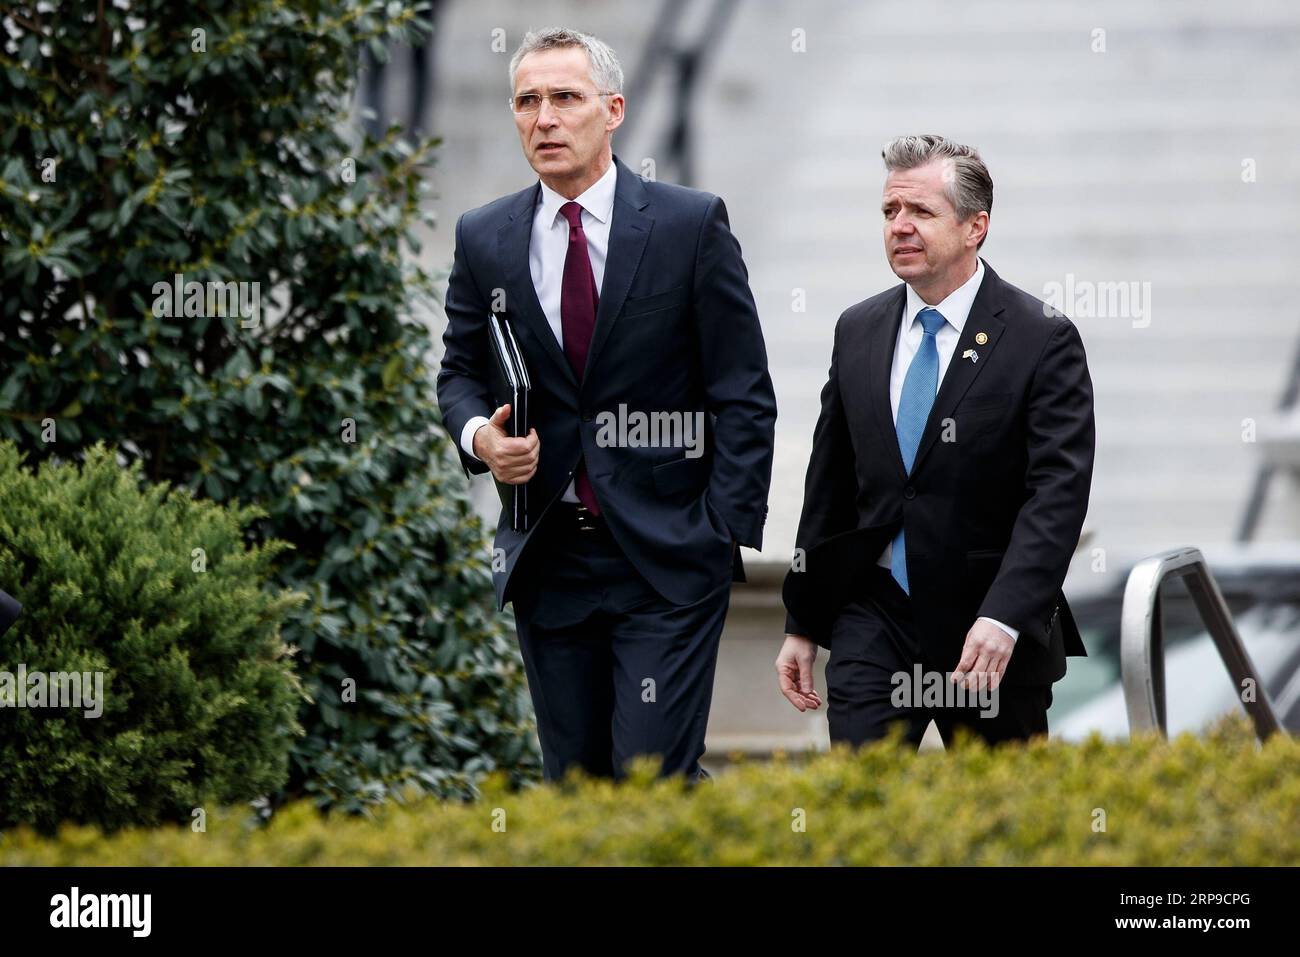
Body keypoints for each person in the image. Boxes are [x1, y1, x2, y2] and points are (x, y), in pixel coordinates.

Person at [437, 28, 776, 782]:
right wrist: (479, 439)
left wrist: (719, 531)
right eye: (527, 101)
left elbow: (744, 394)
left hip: (665, 557)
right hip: (548, 556)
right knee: (578, 787)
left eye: (565, 98)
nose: (544, 118)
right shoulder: (485, 235)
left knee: (650, 778)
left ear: (614, 109)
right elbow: (457, 373)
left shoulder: (690, 226)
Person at [776, 134, 1095, 748]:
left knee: (1006, 825)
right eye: (890, 212)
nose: (900, 227)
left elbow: (1056, 493)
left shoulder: (1040, 338)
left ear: (976, 226)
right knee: (862, 815)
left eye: (920, 212)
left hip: (987, 627)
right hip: (874, 618)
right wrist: (804, 620)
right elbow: (830, 483)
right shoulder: (859, 328)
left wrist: (1005, 615)